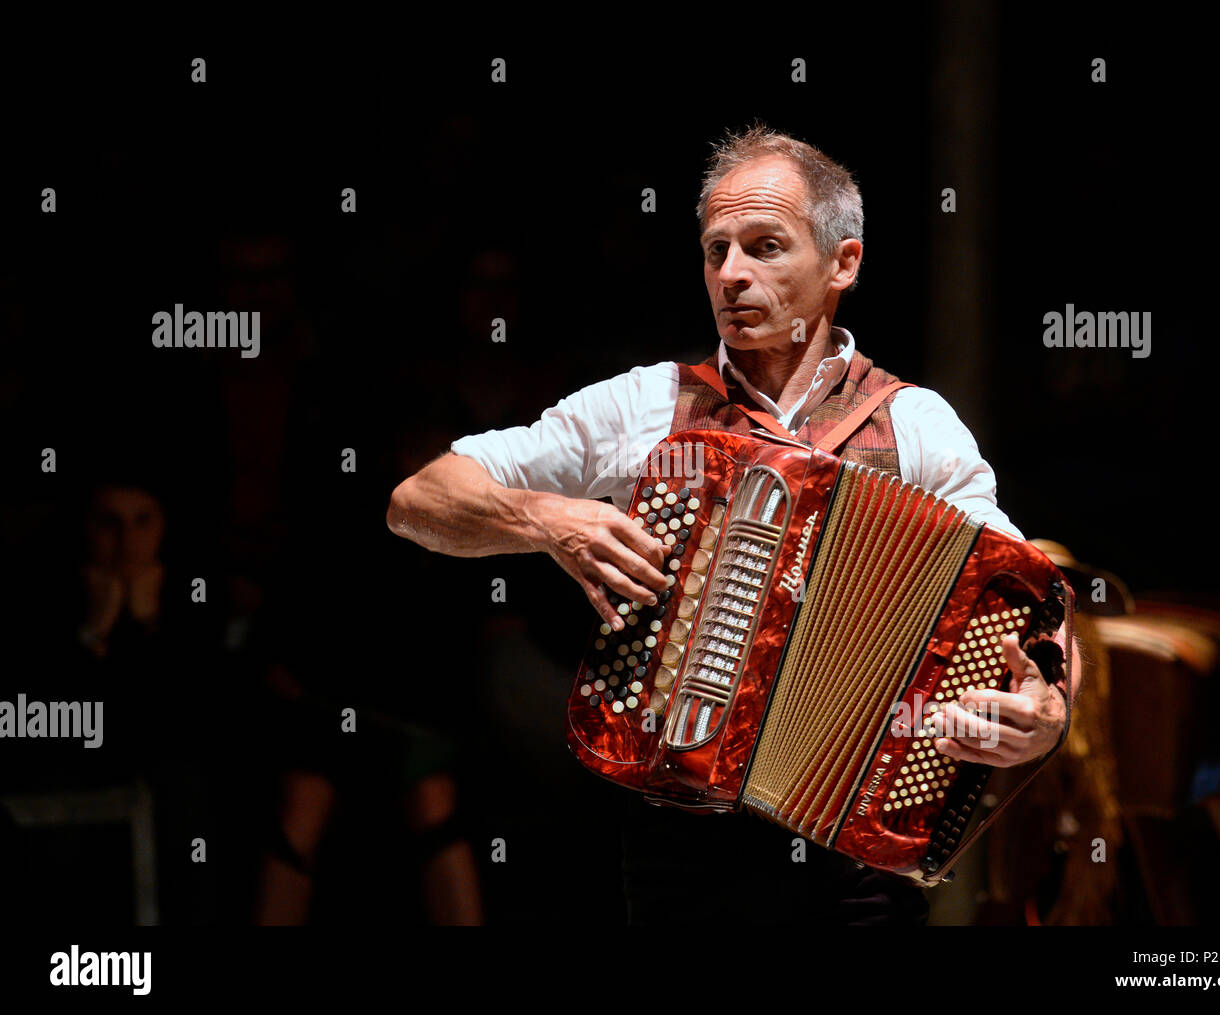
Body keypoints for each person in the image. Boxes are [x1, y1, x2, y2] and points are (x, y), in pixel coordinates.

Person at [387, 125, 1080, 923]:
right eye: (717, 250)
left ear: (842, 265)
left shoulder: (915, 424)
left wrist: (1048, 711)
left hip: (854, 854)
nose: (732, 275)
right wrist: (548, 518)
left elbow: (1032, 597)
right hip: (683, 848)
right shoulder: (647, 405)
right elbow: (419, 501)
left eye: (765, 246)